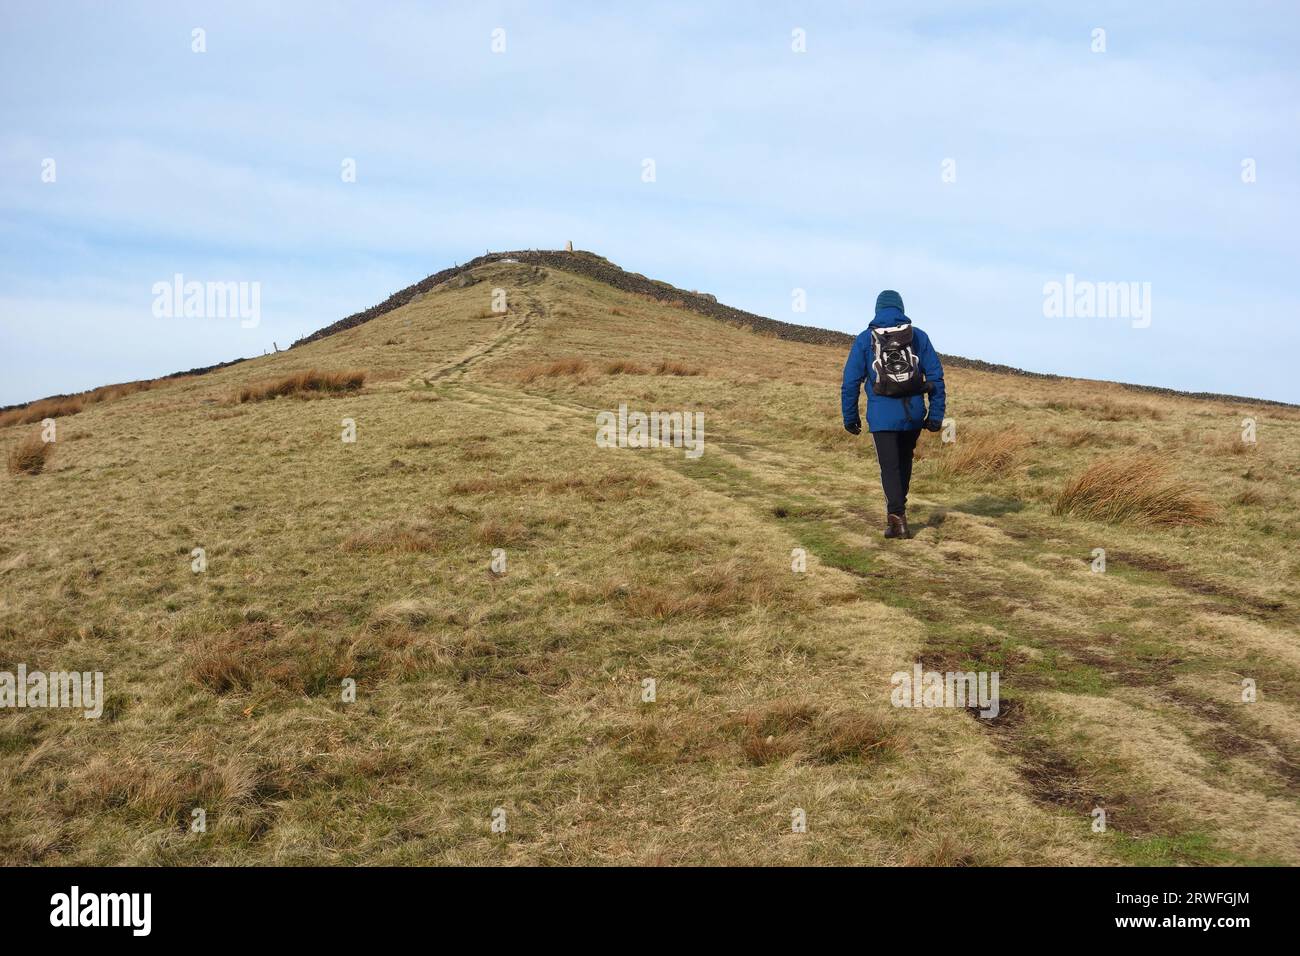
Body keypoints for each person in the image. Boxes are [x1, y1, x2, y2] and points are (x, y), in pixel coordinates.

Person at [840, 290, 946, 539]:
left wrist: (850, 416)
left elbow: (850, 381)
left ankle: (897, 519)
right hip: (912, 414)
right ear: (901, 308)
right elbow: (936, 377)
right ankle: (899, 512)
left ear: (877, 310)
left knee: (889, 467)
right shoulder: (918, 337)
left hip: (881, 416)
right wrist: (936, 415)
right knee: (904, 462)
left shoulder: (866, 339)